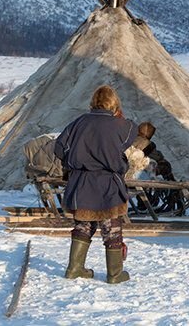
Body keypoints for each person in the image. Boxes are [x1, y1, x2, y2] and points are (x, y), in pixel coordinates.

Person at [54, 85, 136, 284]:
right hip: (107, 184)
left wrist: (71, 162)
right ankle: (115, 274)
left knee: (82, 225)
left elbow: (58, 147)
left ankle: (74, 268)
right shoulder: (119, 125)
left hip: (81, 182)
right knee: (112, 228)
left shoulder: (79, 122)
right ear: (113, 103)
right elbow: (132, 131)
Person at [128, 122, 183, 214]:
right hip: (135, 177)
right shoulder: (147, 144)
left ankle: (146, 202)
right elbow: (158, 157)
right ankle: (173, 195)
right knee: (165, 167)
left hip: (125, 175)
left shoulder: (129, 140)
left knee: (146, 172)